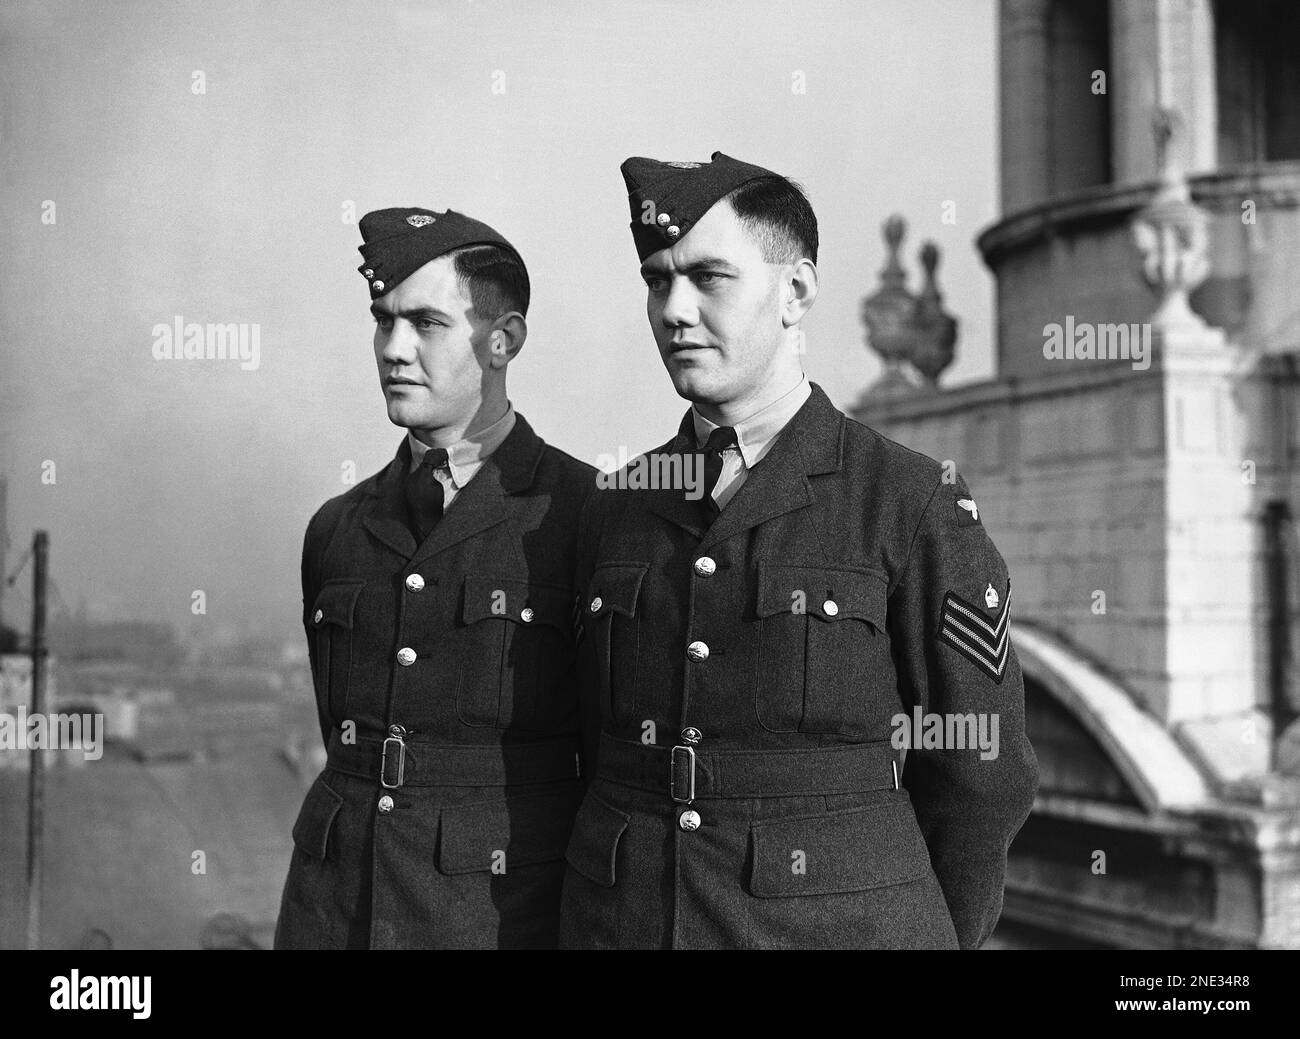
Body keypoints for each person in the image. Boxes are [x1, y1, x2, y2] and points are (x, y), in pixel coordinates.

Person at [558, 153, 1038, 949]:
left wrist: (918, 933)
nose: (674, 309)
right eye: (656, 279)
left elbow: (982, 775)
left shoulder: (909, 502)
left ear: (797, 292)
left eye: (709, 277)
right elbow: (587, 748)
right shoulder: (617, 506)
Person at [275, 207, 595, 949]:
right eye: (382, 321)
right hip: (333, 912)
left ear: (502, 340)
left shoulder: (582, 516)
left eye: (426, 323)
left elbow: (608, 766)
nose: (394, 348)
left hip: (498, 916)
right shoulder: (336, 528)